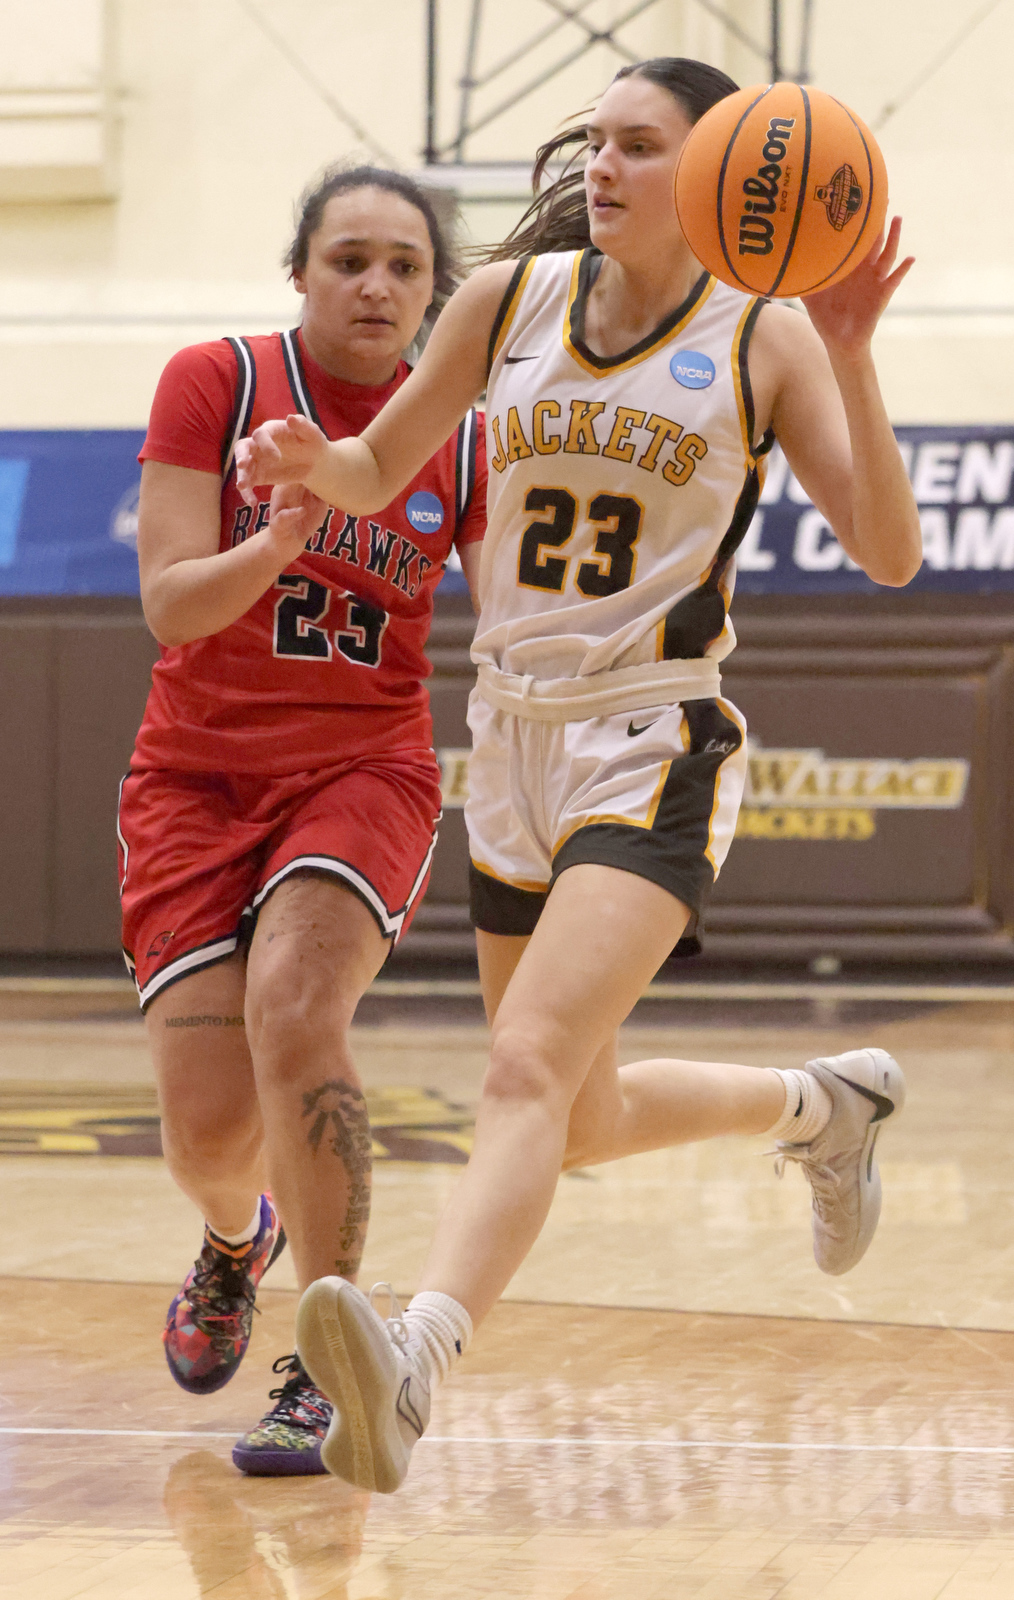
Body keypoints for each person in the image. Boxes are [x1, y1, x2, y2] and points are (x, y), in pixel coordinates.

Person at [236, 58, 922, 1495]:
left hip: (651, 734)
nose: (598, 168)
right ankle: (821, 1106)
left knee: (521, 1066)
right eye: (594, 143)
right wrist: (315, 457)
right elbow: (377, 470)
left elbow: (886, 553)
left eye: (636, 147)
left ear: (725, 177)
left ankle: (416, 1357)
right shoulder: (506, 302)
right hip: (513, 736)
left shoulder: (761, 337)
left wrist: (853, 350)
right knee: (579, 1116)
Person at [120, 163, 486, 1475]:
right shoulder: (214, 380)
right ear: (301, 273)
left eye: (404, 263)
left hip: (362, 769)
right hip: (196, 781)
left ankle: (321, 1371)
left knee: (297, 1008)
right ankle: (237, 1242)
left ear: (437, 290)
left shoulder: (465, 428)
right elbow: (170, 606)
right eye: (349, 259)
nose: (378, 284)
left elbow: (518, 619)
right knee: (209, 1135)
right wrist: (278, 541)